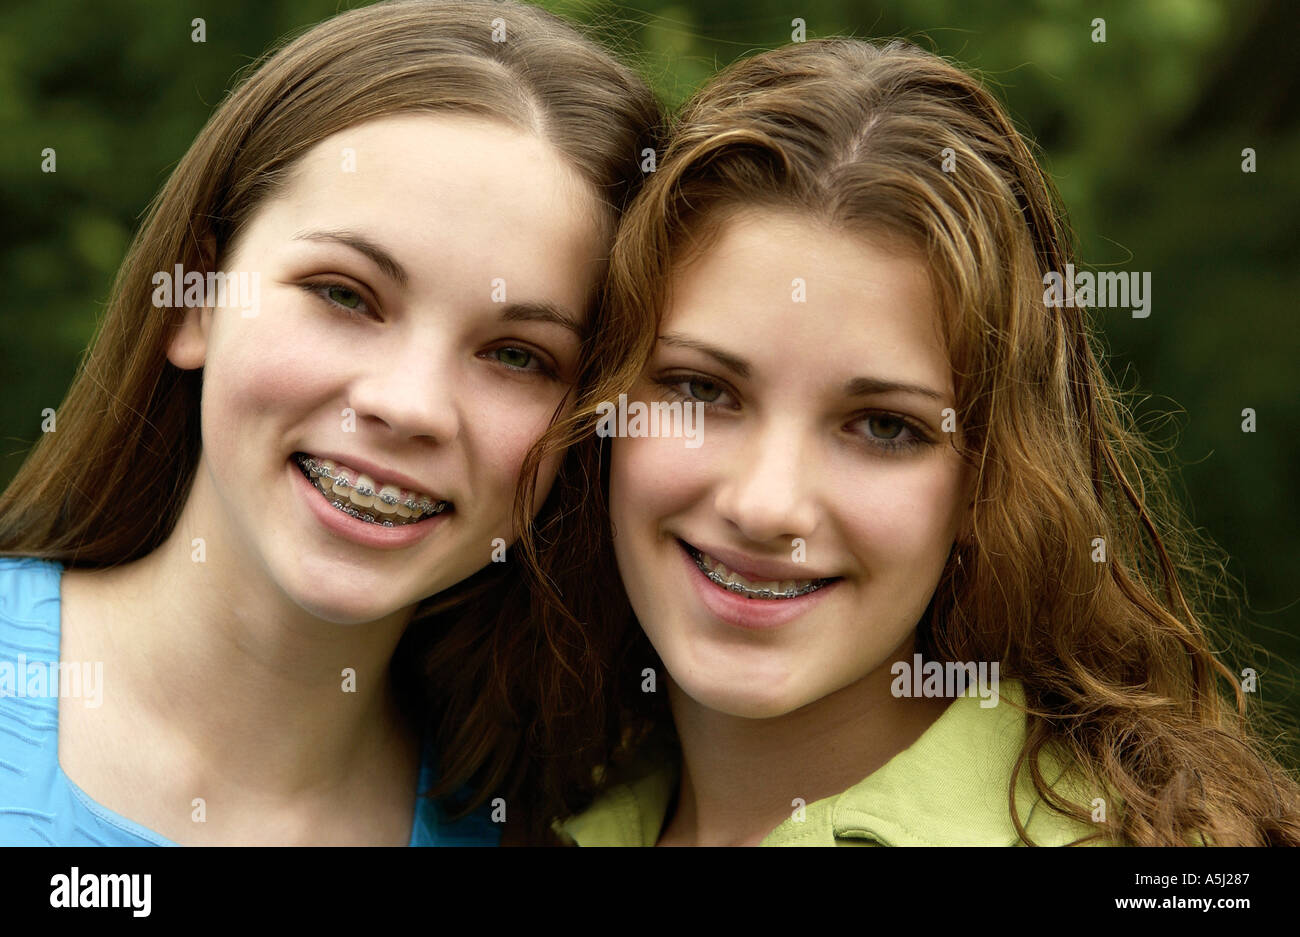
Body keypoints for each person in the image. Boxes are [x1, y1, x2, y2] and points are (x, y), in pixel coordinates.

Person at [530, 37, 1300, 846]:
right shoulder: (526, 808)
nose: (765, 505)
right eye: (701, 390)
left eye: (884, 427)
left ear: (989, 482)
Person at [0, 0, 660, 846]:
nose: (409, 404)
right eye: (345, 295)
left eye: (517, 355)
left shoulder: (554, 826)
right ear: (194, 297)